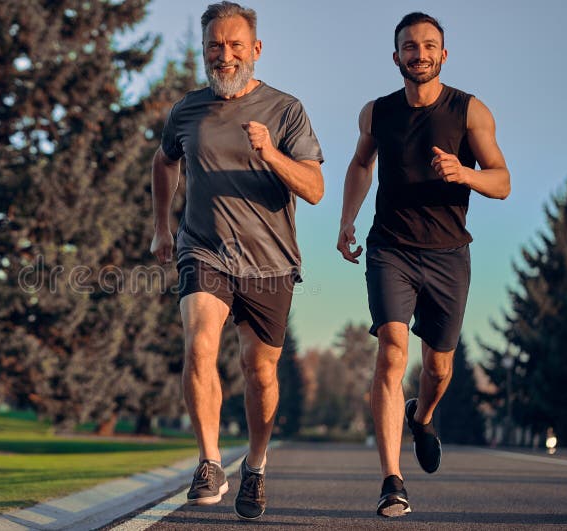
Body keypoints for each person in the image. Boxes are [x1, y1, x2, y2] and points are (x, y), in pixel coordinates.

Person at [150, 1, 324, 521]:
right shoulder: (187, 110)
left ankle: (255, 463)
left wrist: (270, 153)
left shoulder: (286, 110)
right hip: (204, 249)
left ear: (256, 50)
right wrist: (163, 226)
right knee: (199, 345)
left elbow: (314, 189)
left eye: (234, 46)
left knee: (260, 372)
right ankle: (207, 461)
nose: (224, 56)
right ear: (205, 51)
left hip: (270, 261)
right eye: (214, 47)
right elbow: (164, 162)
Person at [337, 12, 510, 517]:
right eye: (409, 47)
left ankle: (423, 415)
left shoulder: (470, 111)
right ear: (397, 57)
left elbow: (503, 180)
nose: (419, 53)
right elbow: (360, 163)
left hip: (449, 254)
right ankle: (392, 479)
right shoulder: (377, 112)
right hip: (390, 246)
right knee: (392, 350)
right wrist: (347, 219)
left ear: (443, 54)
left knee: (438, 366)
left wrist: (465, 174)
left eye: (429, 45)